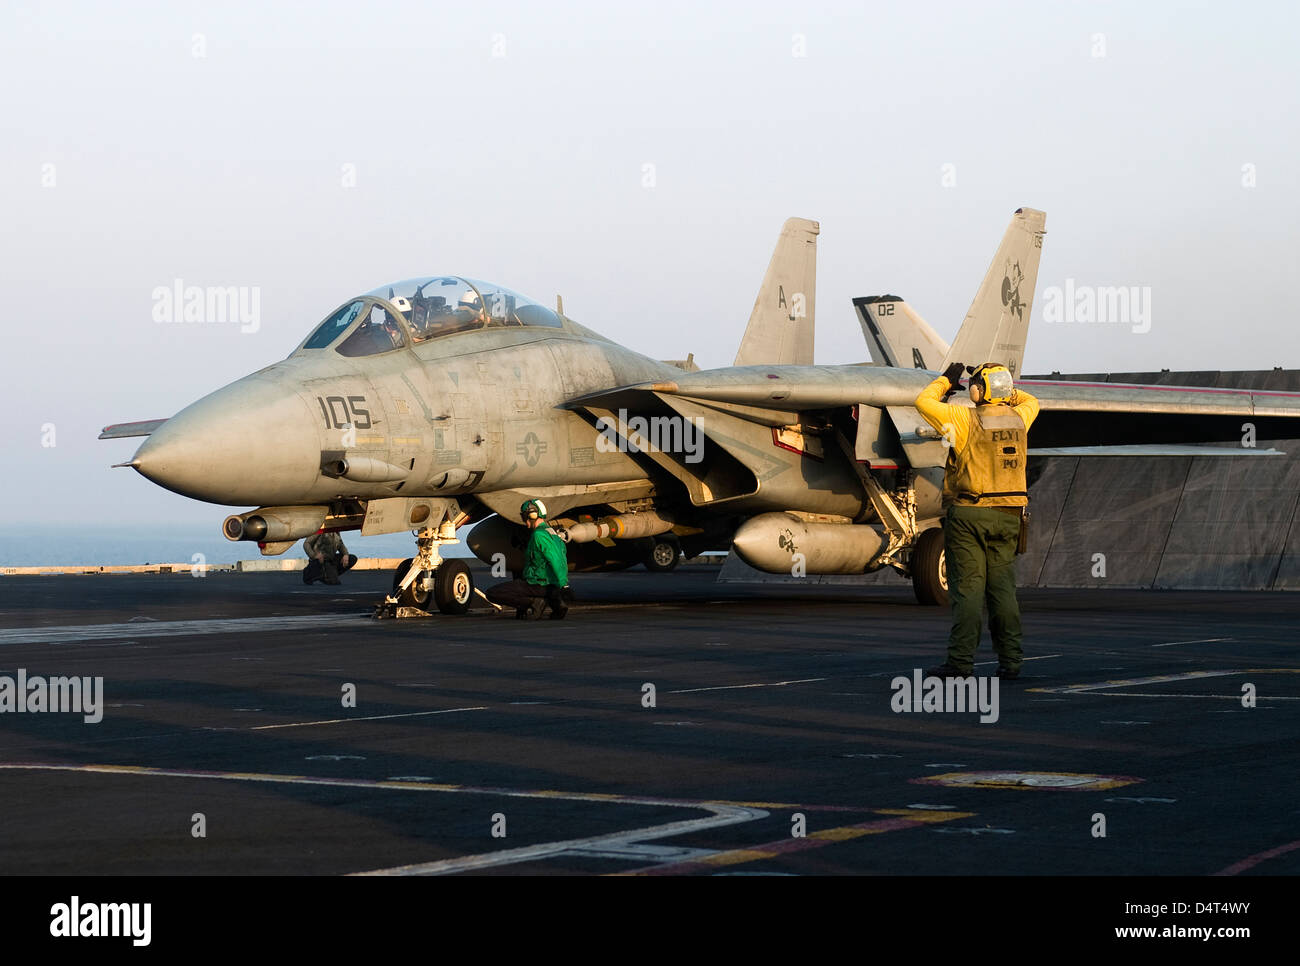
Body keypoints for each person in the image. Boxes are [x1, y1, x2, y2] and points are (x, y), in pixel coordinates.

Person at [914, 361, 1040, 679]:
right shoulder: (1021, 417)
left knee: (968, 591)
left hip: (970, 514)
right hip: (1011, 516)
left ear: (976, 391)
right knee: (1003, 591)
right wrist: (1003, 389)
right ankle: (1011, 662)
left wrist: (945, 381)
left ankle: (960, 664)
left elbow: (923, 403)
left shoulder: (965, 418)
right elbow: (1029, 399)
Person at [485, 499, 574, 619]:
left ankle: (533, 603)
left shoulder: (538, 535)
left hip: (538, 584)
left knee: (492, 593)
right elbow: (561, 559)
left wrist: (563, 585)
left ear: (532, 515)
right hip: (551, 585)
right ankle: (554, 601)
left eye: (524, 517)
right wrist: (562, 584)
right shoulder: (553, 534)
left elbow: (555, 559)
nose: (524, 521)